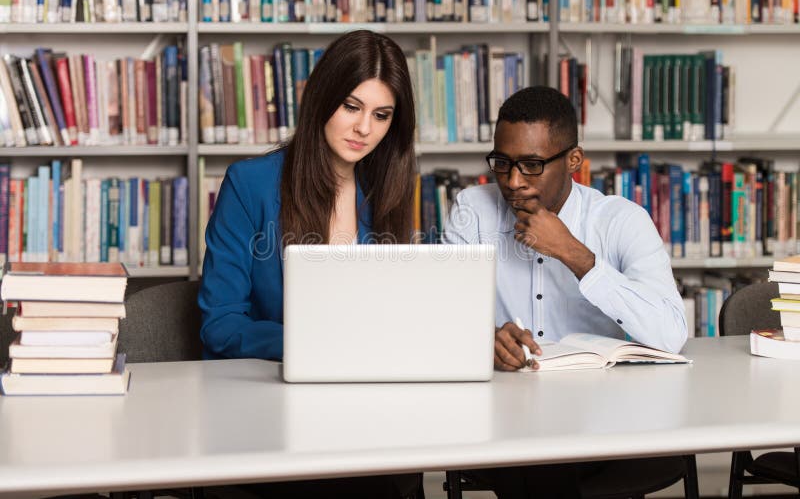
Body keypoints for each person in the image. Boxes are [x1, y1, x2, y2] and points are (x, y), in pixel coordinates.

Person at [198, 30, 420, 499]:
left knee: (403, 464)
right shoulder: (250, 185)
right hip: (274, 408)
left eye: (382, 115)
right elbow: (220, 325)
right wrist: (318, 344)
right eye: (351, 107)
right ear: (320, 100)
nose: (365, 129)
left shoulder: (386, 194)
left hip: (366, 406)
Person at [443, 85, 689, 498]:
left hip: (600, 416)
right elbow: (443, 318)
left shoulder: (621, 221)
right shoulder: (473, 210)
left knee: (546, 464)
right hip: (504, 415)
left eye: (532, 165)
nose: (513, 181)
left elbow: (670, 333)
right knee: (537, 460)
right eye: (502, 163)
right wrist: (484, 339)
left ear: (574, 160)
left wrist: (576, 255)